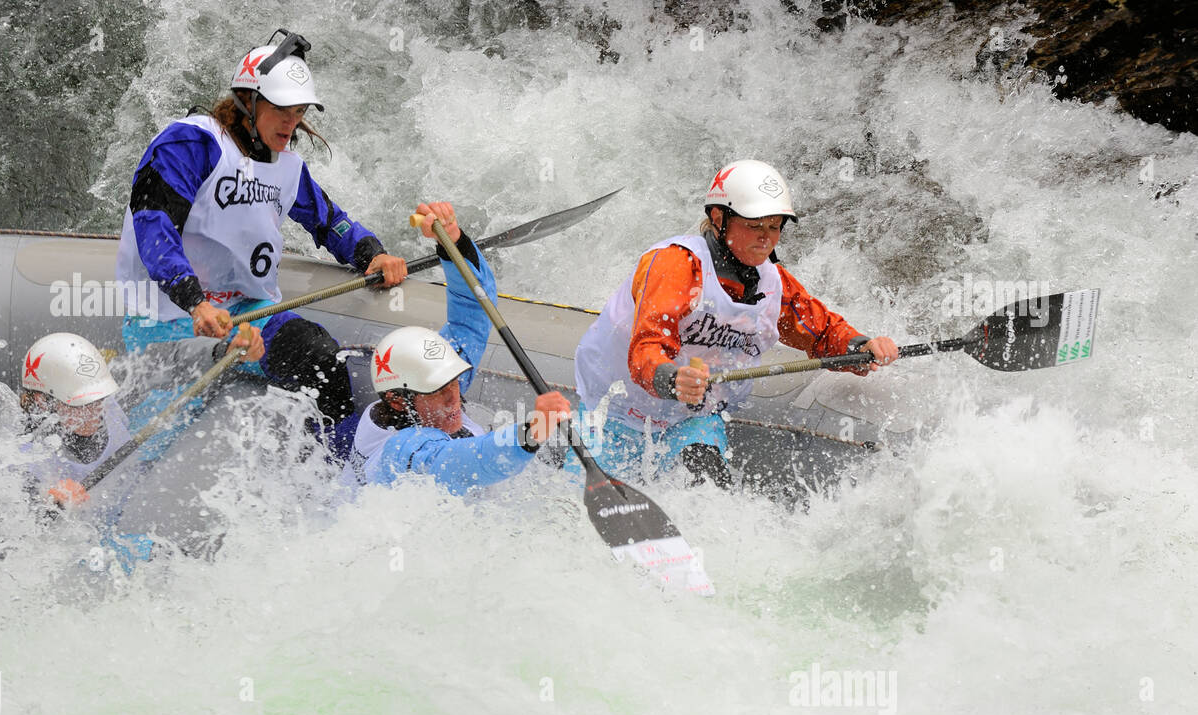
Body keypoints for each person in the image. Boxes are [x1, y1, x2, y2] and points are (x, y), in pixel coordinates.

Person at [115, 28, 408, 434]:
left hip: (250, 314)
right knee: (159, 438)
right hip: (170, 316)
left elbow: (329, 221)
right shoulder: (189, 143)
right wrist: (195, 302)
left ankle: (345, 474)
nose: (293, 122)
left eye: (300, 111)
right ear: (248, 102)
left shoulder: (285, 167)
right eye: (282, 110)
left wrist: (371, 252)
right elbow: (154, 223)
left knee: (323, 361)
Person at [575, 159, 899, 489]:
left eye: (774, 227)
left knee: (710, 488)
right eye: (755, 226)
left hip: (691, 419)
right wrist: (671, 378)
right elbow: (647, 346)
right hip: (614, 412)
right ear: (719, 219)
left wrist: (860, 346)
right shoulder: (677, 264)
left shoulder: (773, 283)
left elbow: (822, 330)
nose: (766, 238)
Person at [344, 202, 571, 495]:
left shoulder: (427, 387)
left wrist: (453, 243)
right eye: (440, 390)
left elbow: (472, 312)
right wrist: (530, 433)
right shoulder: (400, 454)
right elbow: (459, 463)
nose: (455, 398)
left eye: (454, 383)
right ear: (398, 401)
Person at [13, 328, 263, 568]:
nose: (95, 412)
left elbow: (168, 360)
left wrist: (221, 351)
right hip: (90, 550)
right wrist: (48, 507)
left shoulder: (111, 397)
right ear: (42, 401)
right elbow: (9, 537)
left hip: (133, 514)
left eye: (97, 400)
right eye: (81, 405)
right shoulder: (26, 458)